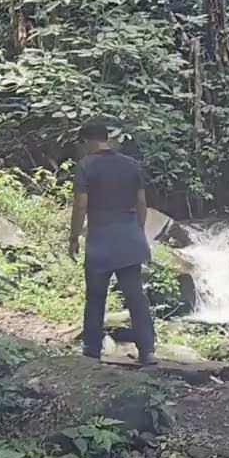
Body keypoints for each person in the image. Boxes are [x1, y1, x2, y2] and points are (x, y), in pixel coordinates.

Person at [68, 118, 158, 365]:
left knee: (96, 297)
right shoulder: (130, 164)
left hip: (101, 241)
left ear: (85, 141)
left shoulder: (85, 166)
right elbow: (141, 202)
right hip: (130, 239)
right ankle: (147, 351)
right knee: (135, 297)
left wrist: (74, 237)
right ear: (107, 139)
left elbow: (81, 205)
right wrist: (136, 230)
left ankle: (91, 351)